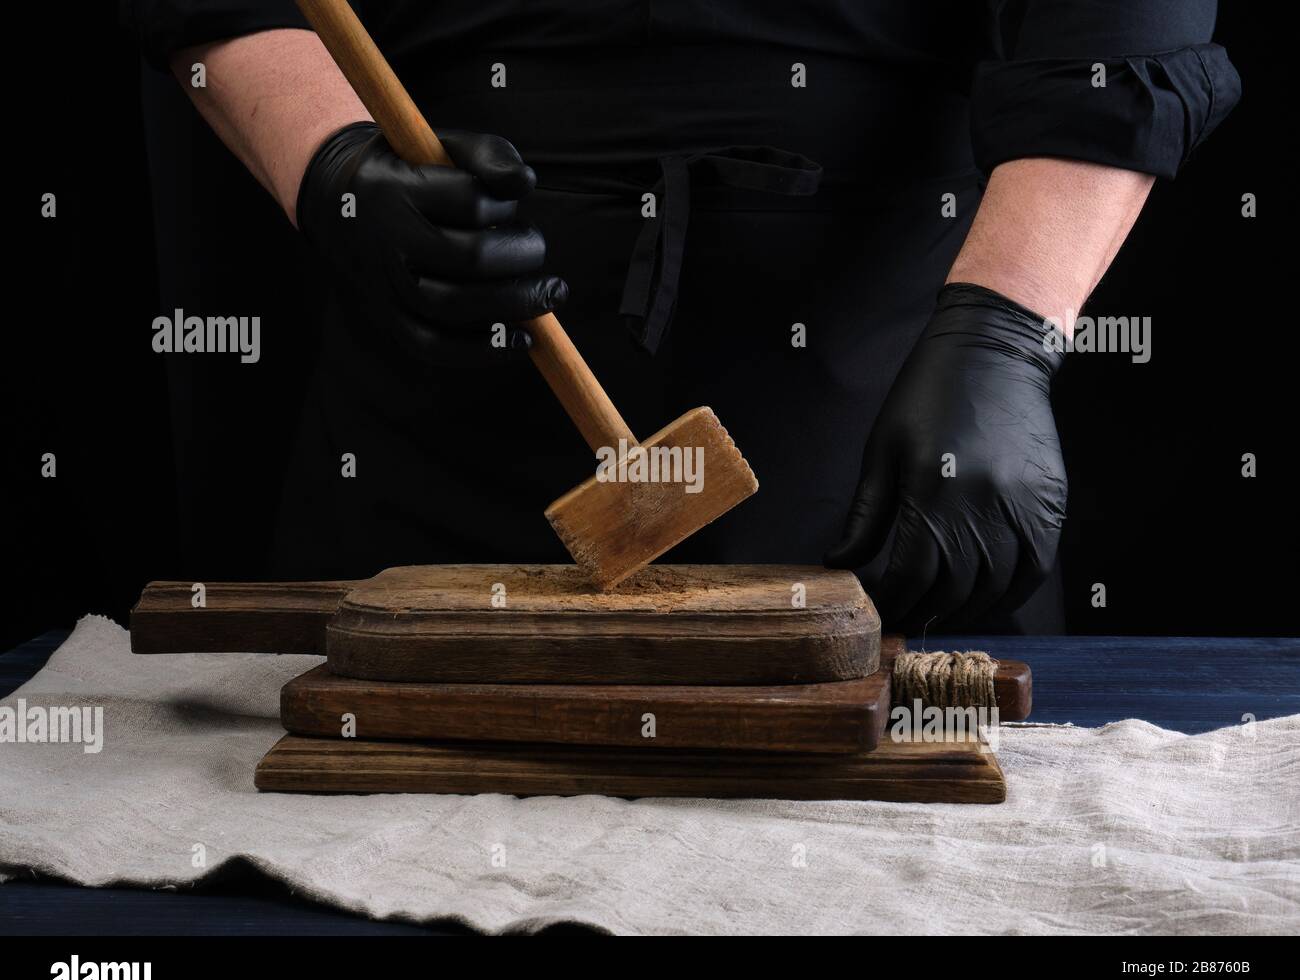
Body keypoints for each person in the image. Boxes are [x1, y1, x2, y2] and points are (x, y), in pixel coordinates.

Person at [123, 1, 1239, 632]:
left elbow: (1117, 22)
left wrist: (1005, 330)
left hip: (888, 460)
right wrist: (335, 170)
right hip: (425, 453)